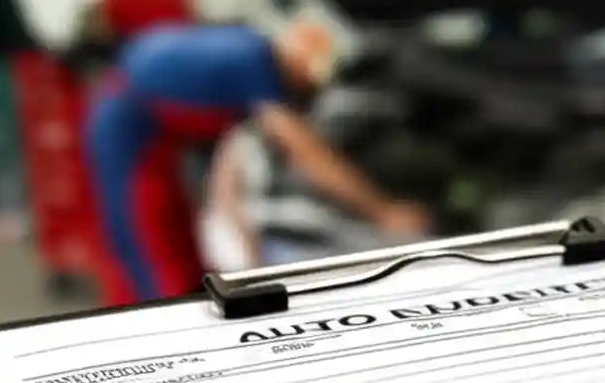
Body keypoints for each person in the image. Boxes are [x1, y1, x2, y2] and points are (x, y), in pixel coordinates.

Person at [87, 21, 429, 304]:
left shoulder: (253, 49)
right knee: (151, 252)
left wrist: (237, 225)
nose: (303, 97)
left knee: (176, 245)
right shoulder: (256, 66)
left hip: (142, 124)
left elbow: (229, 155)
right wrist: (382, 210)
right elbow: (307, 154)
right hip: (129, 134)